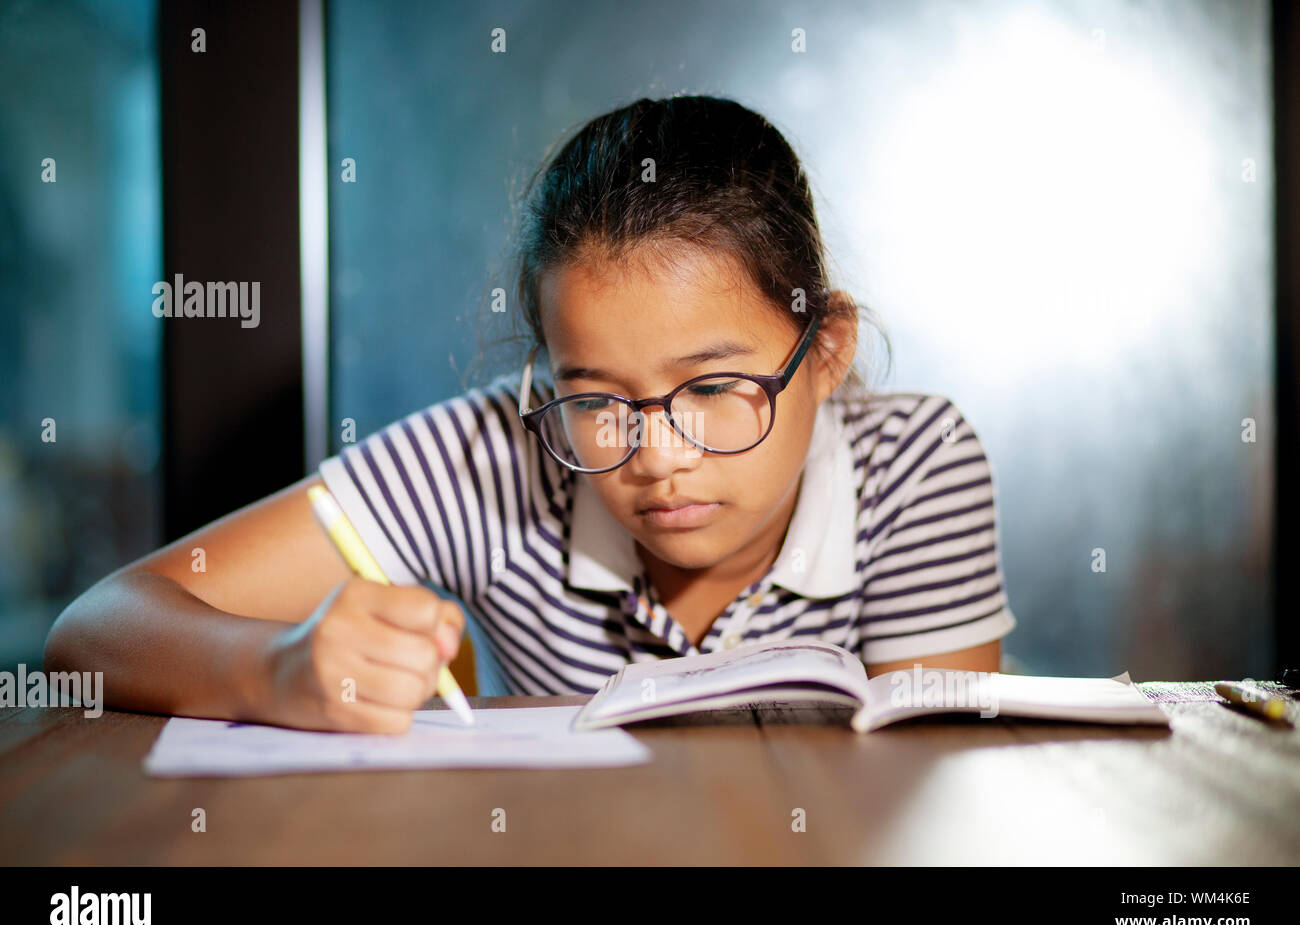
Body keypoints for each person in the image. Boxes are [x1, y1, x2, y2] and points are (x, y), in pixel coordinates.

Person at [45, 94, 1016, 733]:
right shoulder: (490, 453)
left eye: (715, 389)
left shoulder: (914, 464)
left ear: (828, 349)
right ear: (546, 382)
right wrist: (277, 667)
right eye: (596, 398)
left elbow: (923, 787)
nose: (659, 457)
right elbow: (95, 628)